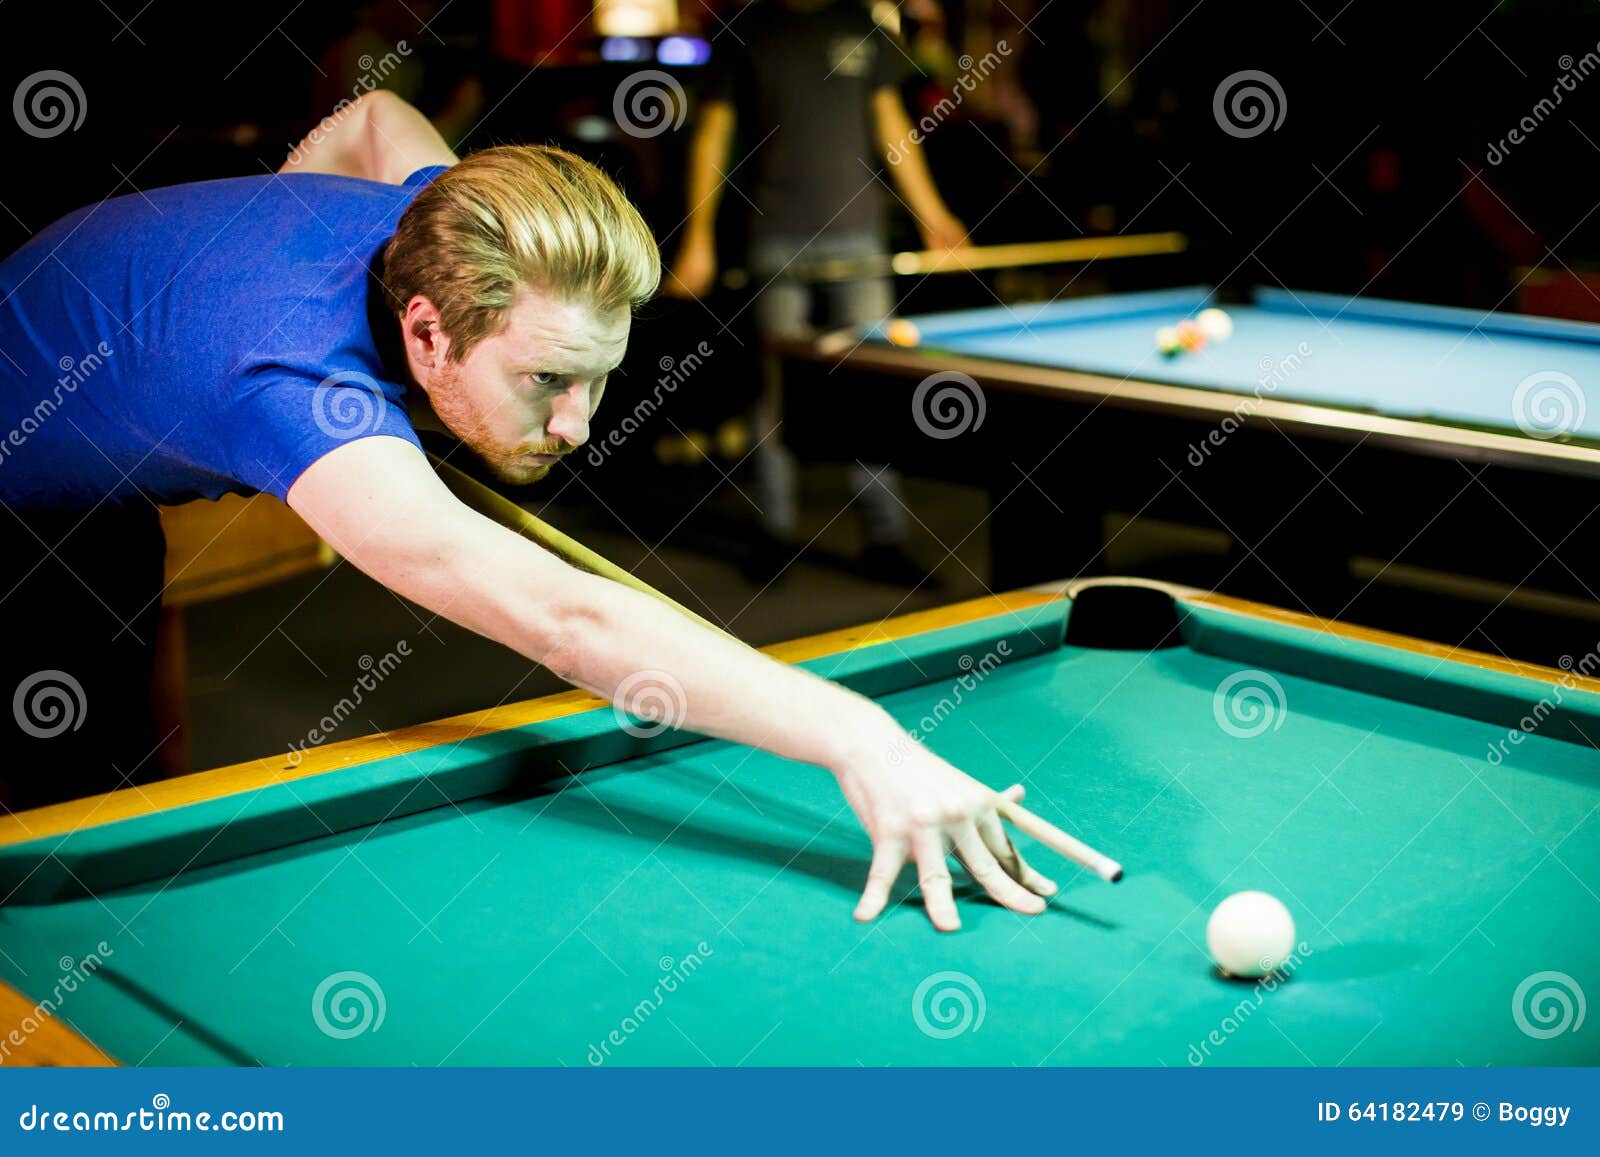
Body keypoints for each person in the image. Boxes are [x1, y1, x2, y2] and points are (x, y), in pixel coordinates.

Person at [0, 90, 1054, 932]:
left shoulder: (436, 219)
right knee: (31, 845)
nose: (574, 425)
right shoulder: (285, 386)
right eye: (547, 379)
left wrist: (268, 225)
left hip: (93, 484)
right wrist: (859, 737)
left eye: (597, 379)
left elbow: (373, 119)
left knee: (107, 792)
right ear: (423, 331)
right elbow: (567, 619)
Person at [667, 0, 968, 585]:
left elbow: (889, 124)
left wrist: (934, 216)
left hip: (858, 239)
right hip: (775, 238)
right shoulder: (746, 29)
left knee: (869, 390)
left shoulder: (860, 24)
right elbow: (714, 132)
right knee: (777, 394)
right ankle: (773, 533)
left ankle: (886, 539)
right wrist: (697, 238)